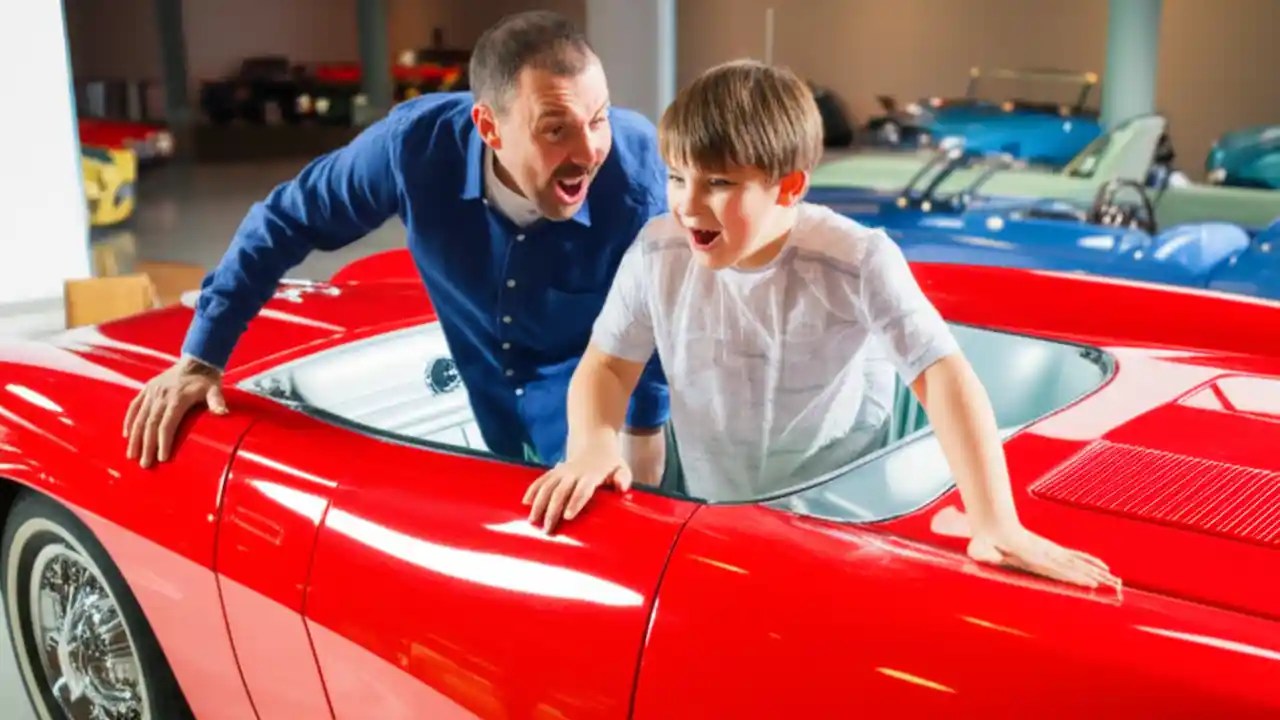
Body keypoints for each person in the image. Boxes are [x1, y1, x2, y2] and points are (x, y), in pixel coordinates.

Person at [523, 59, 1119, 590]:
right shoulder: (658, 252)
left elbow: (943, 377)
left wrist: (995, 521)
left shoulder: (855, 258)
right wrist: (593, 444)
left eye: (720, 183)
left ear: (789, 187)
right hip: (713, 510)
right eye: (678, 178)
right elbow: (607, 364)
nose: (687, 204)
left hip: (836, 518)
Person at [122, 11, 671, 478]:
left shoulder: (635, 168)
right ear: (489, 128)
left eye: (598, 118)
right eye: (557, 130)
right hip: (494, 422)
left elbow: (657, 320)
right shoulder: (412, 149)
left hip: (601, 425)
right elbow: (287, 219)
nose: (590, 149)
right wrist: (202, 355)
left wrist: (641, 444)